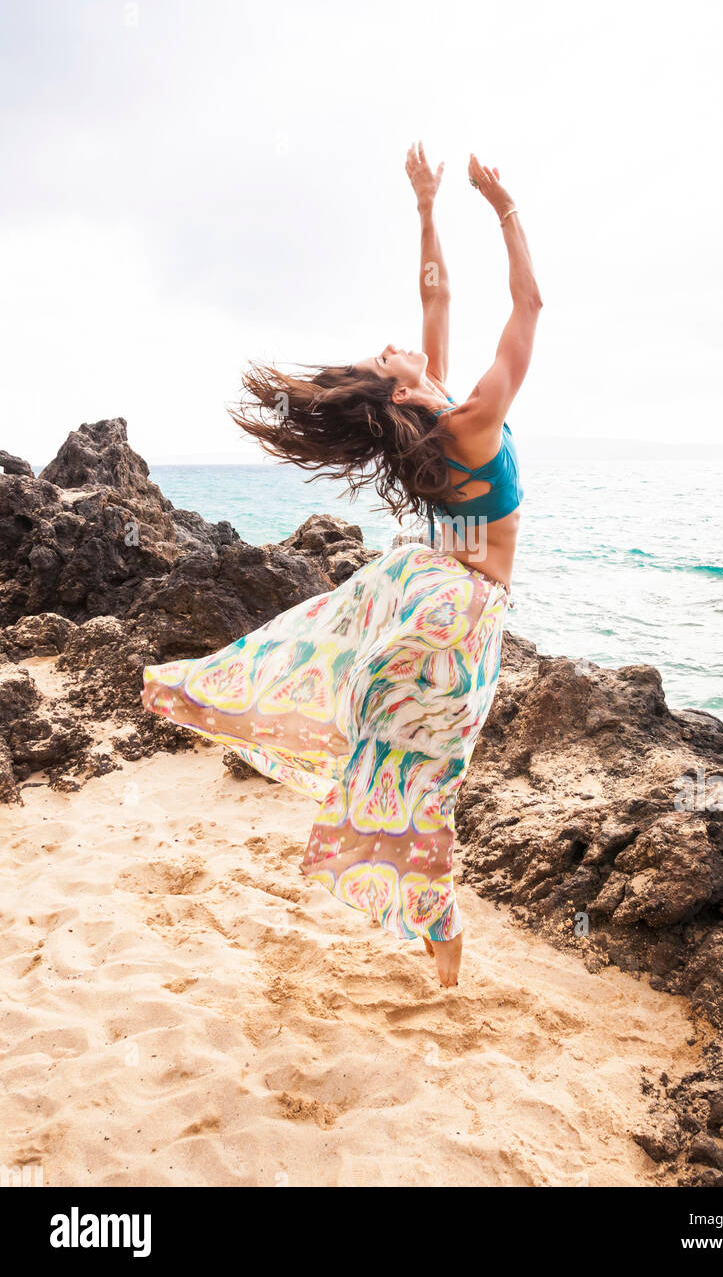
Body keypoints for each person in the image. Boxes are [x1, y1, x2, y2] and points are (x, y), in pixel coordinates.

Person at [141, 144, 542, 988]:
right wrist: (503, 208)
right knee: (423, 774)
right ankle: (440, 923)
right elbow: (529, 303)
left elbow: (436, 294)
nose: (393, 348)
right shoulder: (468, 417)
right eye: (383, 358)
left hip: (417, 589)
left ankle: (213, 685)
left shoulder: (435, 428)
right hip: (460, 611)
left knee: (383, 743)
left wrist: (429, 204)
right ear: (398, 390)